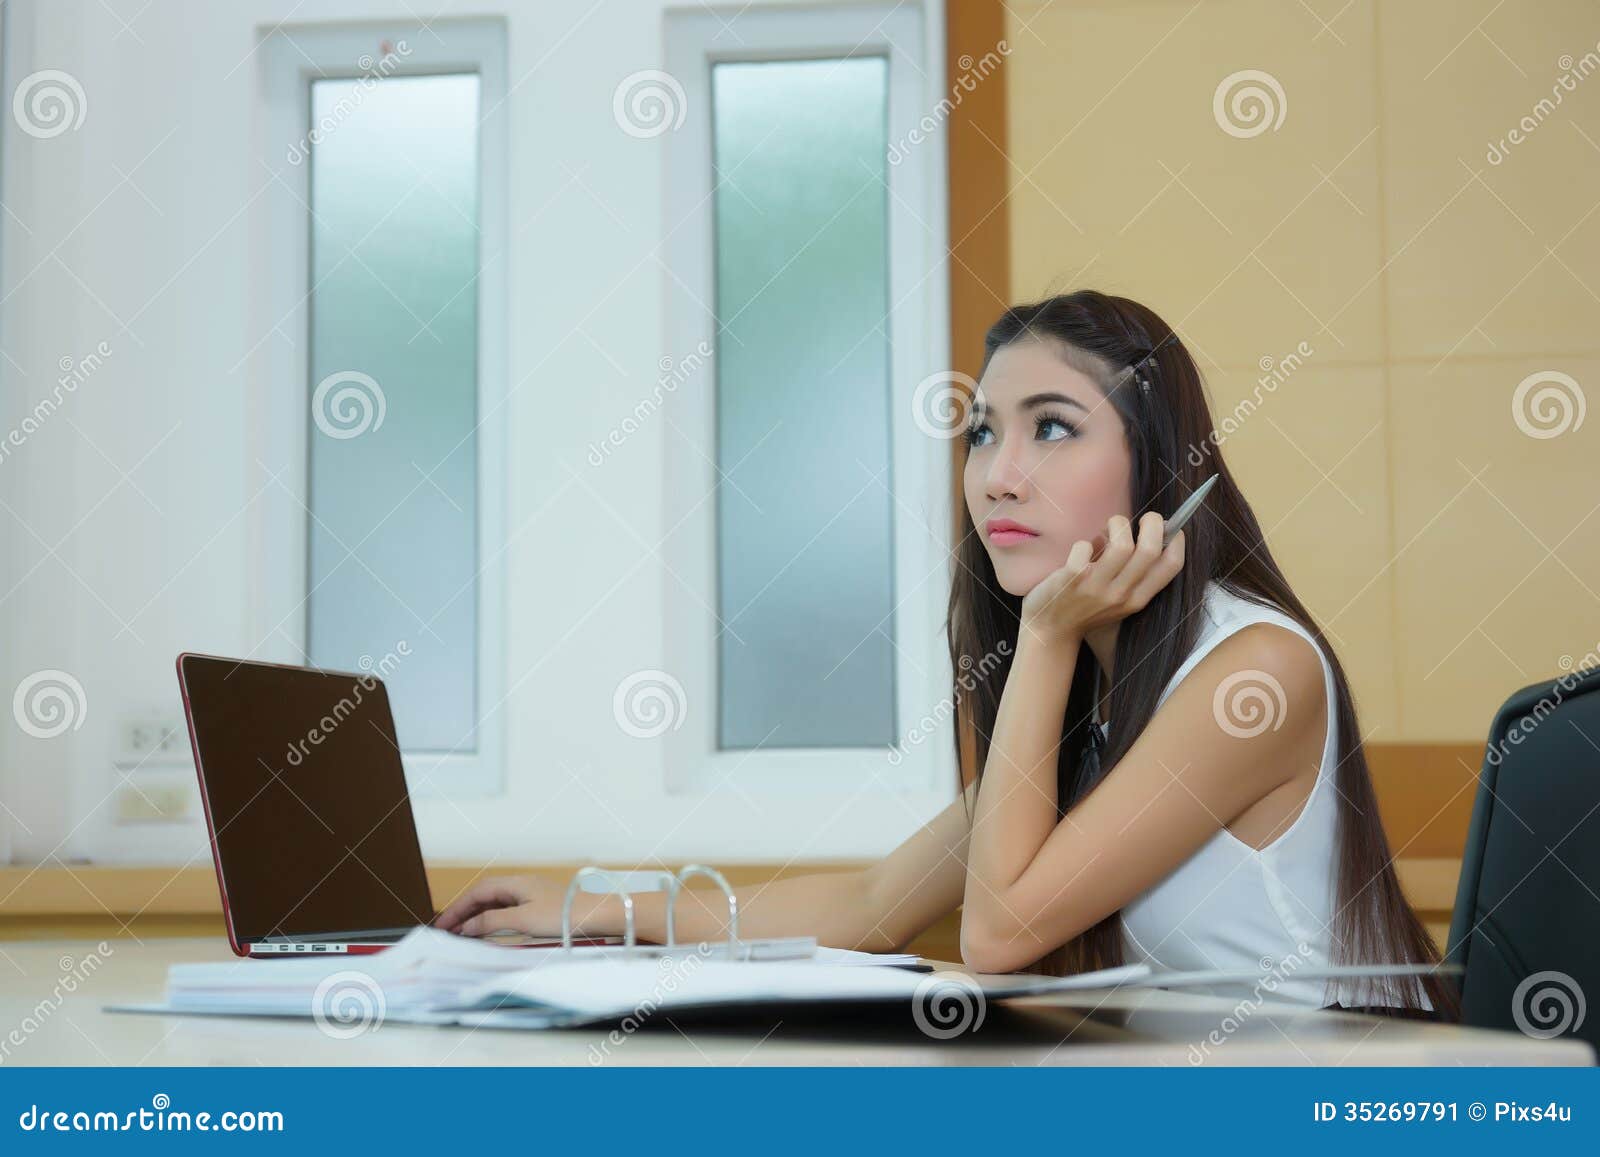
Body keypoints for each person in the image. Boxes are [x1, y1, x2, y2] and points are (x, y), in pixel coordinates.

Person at [435, 289, 1454, 1018]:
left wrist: (1046, 633)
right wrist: (600, 909)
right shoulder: (1105, 700)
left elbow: (998, 935)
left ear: (1157, 468)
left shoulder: (1254, 672)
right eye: (980, 433)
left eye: (1052, 429)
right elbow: (873, 905)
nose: (998, 475)